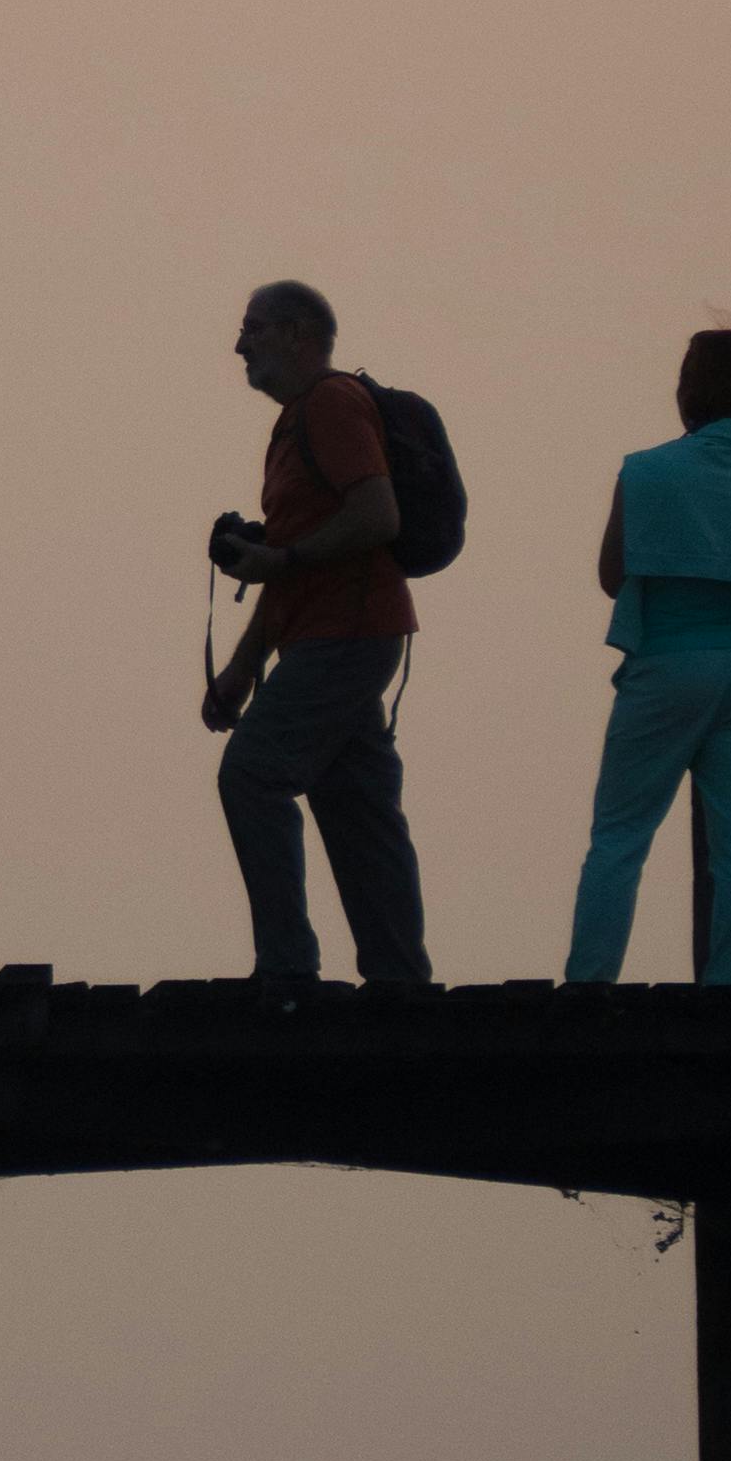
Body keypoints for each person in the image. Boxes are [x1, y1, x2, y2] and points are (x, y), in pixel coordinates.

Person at [198, 281, 432, 989]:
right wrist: (240, 669)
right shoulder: (299, 421)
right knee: (358, 807)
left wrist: (286, 557)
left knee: (252, 775)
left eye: (254, 328)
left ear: (299, 333)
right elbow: (292, 571)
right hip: (333, 636)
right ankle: (399, 982)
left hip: (350, 634)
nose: (240, 345)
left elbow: (378, 514)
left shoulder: (330, 404)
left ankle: (287, 968)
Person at [563, 328, 731, 987]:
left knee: (619, 837)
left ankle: (591, 981)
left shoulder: (646, 470)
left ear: (687, 391)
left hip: (666, 663)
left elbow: (613, 575)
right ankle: (728, 984)